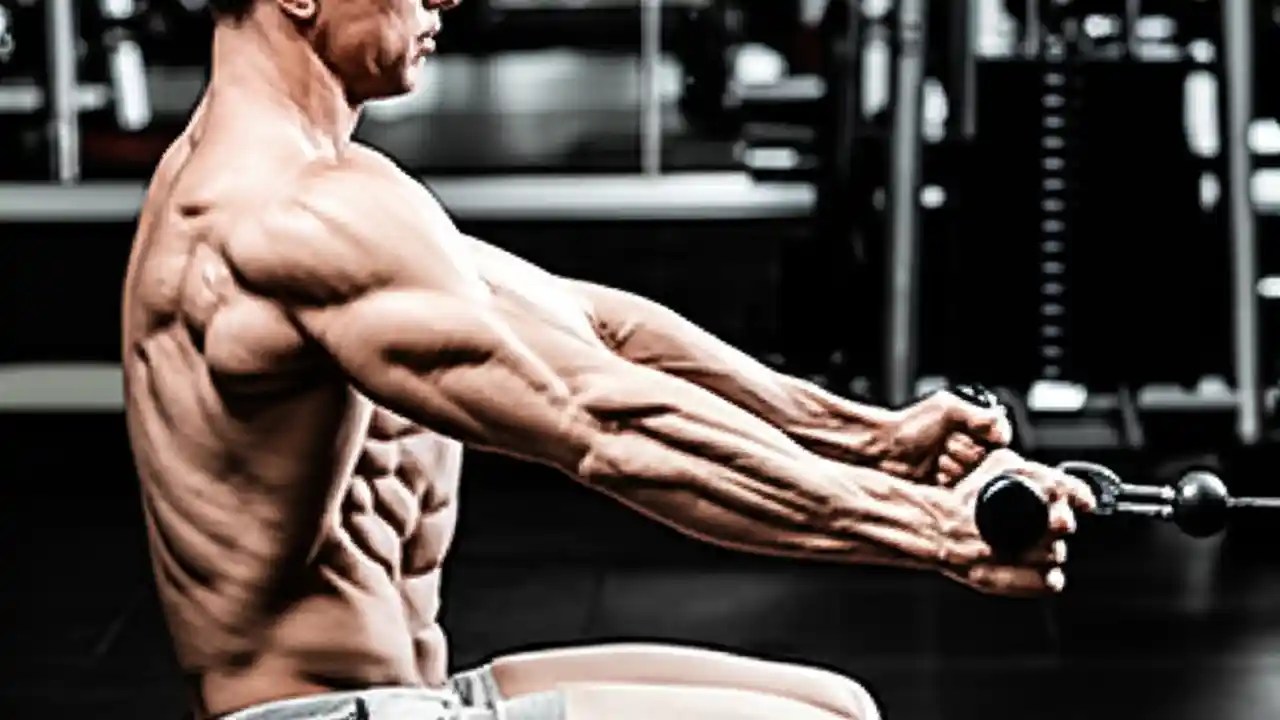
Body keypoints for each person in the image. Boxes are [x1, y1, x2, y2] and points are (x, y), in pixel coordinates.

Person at [119, 1, 1096, 718]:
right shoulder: (288, 215)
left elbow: (590, 327)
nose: (448, 1)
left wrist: (866, 436)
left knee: (836, 705)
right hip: (325, 719)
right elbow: (602, 424)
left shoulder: (309, 184)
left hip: (401, 693)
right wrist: (928, 529)